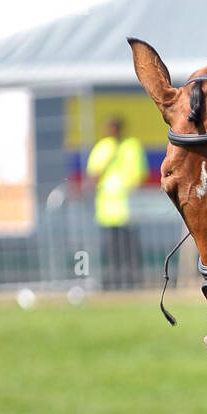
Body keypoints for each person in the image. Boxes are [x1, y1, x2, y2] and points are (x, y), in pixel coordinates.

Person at [86, 116, 148, 289]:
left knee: (131, 251)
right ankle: (113, 283)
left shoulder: (132, 146)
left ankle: (133, 283)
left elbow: (139, 175)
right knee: (112, 251)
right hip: (107, 211)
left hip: (129, 209)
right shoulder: (102, 148)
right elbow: (93, 176)